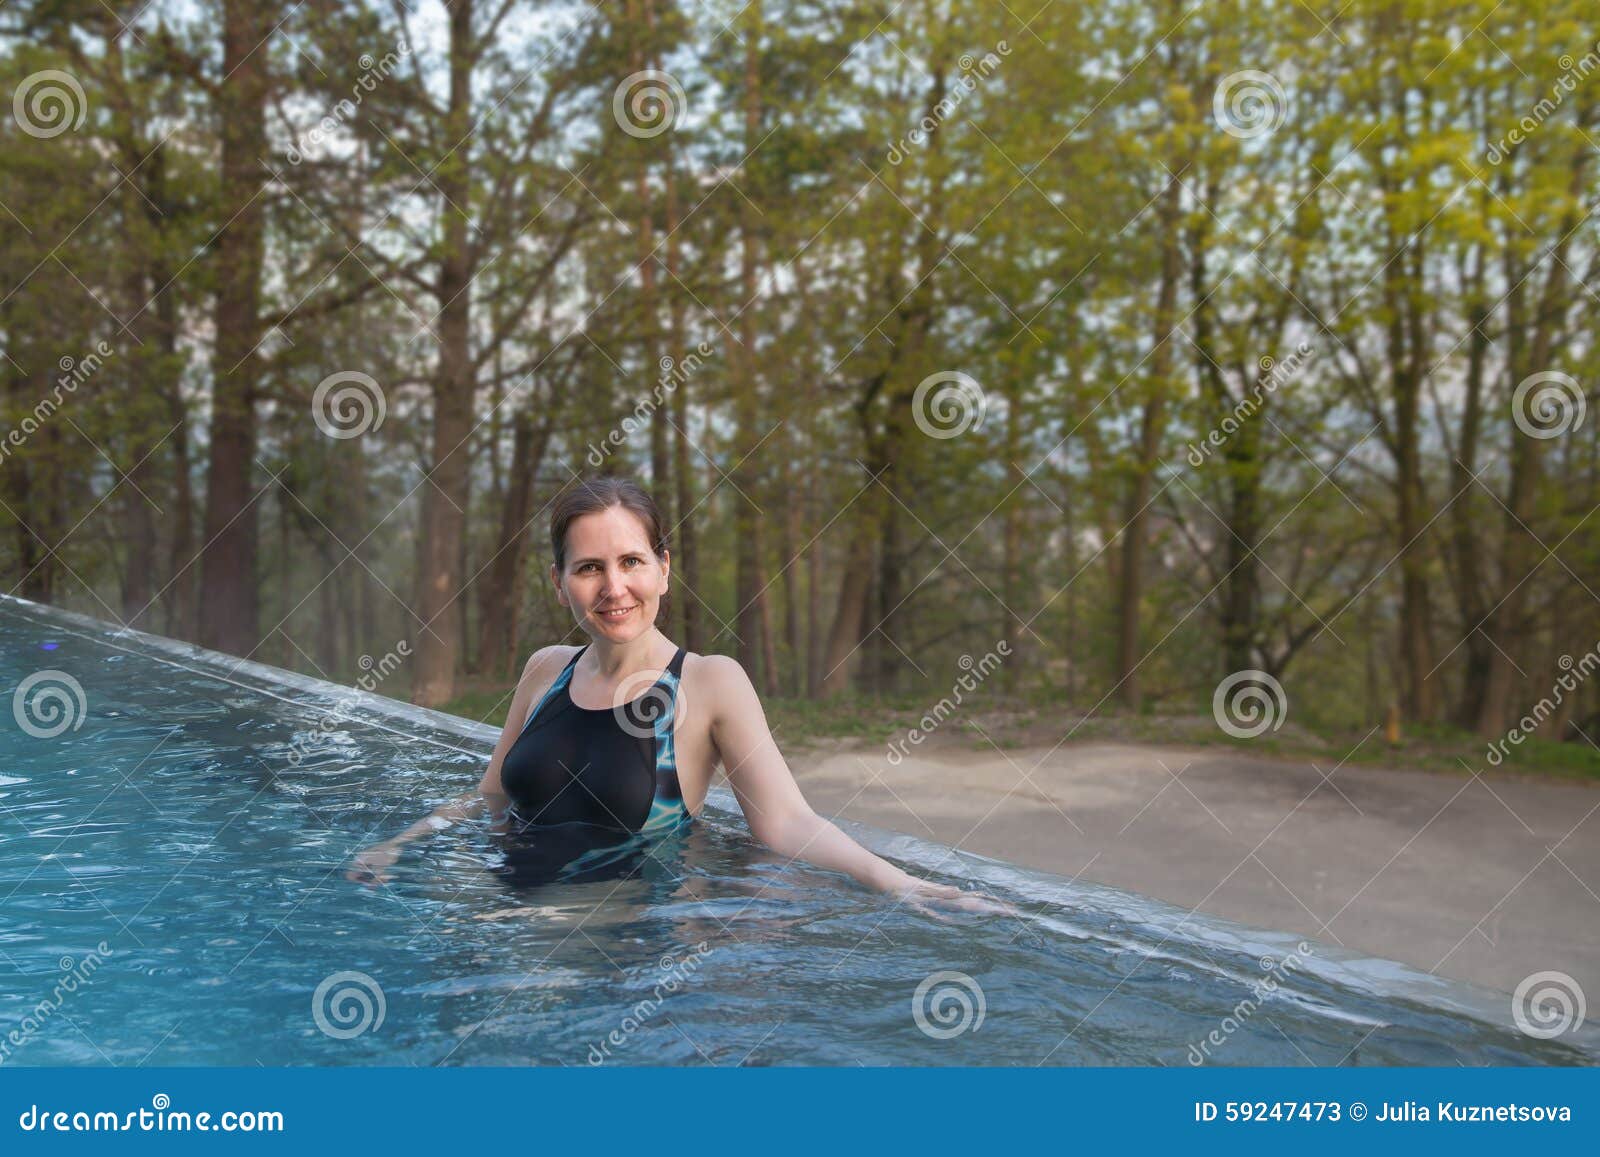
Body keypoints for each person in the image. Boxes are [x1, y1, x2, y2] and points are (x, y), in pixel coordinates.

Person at [347, 476, 1000, 915]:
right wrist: (400, 843)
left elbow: (786, 821)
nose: (614, 587)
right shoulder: (544, 669)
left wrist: (896, 880)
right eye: (589, 568)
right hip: (510, 907)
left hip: (627, 937)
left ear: (665, 565)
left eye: (631, 561)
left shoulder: (710, 681)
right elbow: (490, 795)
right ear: (559, 582)